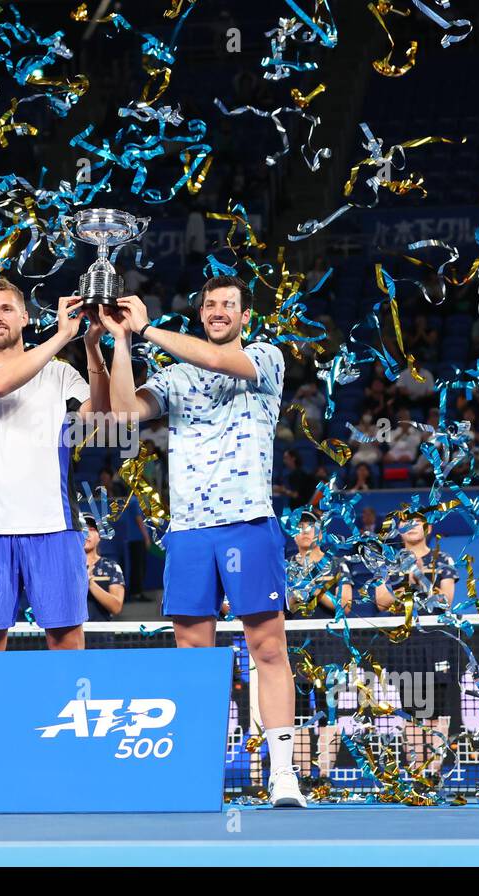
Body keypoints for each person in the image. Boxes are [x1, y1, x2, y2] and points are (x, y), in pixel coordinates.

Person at [100, 274, 304, 807]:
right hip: (188, 530)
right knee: (192, 652)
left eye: (227, 305)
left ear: (244, 316)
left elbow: (217, 362)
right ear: (201, 313)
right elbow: (121, 416)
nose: (217, 311)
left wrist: (148, 329)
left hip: (248, 524)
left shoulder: (266, 357)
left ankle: (283, 773)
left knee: (267, 646)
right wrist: (122, 341)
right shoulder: (173, 377)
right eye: (210, 303)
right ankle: (198, 768)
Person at [0, 278, 110, 651]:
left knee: (67, 642)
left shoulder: (61, 373)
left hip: (56, 524)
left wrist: (92, 346)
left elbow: (99, 415)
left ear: (25, 317)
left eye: (6, 309)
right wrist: (62, 337)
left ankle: (60, 711)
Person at [374, 515, 458, 790]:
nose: (411, 526)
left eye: (417, 522)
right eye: (406, 523)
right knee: (412, 711)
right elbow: (381, 601)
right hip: (404, 643)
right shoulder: (390, 562)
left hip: (435, 641)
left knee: (435, 711)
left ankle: (433, 773)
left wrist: (421, 579)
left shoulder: (441, 559)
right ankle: (417, 773)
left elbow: (446, 600)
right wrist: (404, 582)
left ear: (428, 528)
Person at [286, 510, 352, 791]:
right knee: (299, 712)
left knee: (330, 710)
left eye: (310, 527)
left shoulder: (338, 565)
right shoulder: (286, 566)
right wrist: (295, 593)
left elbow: (345, 606)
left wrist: (316, 589)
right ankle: (302, 777)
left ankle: (324, 776)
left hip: (331, 644)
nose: (304, 531)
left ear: (321, 533)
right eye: (299, 528)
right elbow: (287, 606)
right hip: (297, 643)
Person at [83, 514, 126, 622]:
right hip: (71, 636)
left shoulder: (111, 567)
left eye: (92, 529)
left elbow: (116, 608)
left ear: (99, 536)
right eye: (82, 529)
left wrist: (90, 584)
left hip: (102, 637)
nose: (87, 533)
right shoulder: (66, 568)